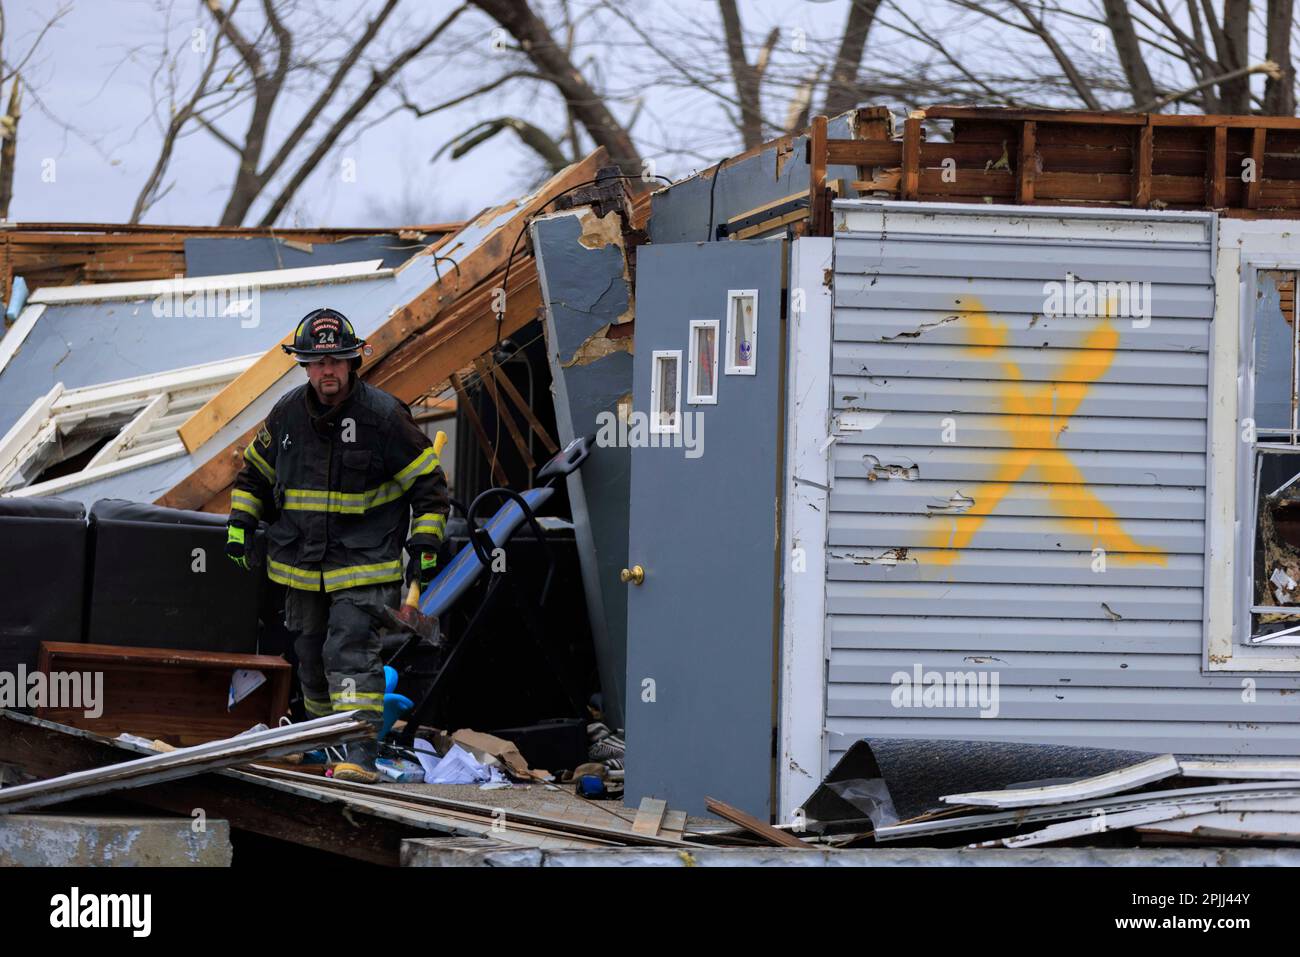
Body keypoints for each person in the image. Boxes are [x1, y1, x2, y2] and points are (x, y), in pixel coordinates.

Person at [225, 307, 449, 782]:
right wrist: (240, 523)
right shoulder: (286, 415)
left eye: (337, 361)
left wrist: (426, 541)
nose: (328, 371)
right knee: (309, 659)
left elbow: (430, 489)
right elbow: (253, 476)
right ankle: (322, 745)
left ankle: (360, 755)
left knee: (348, 655)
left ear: (352, 363)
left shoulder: (384, 418)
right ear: (304, 366)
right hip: (300, 568)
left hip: (364, 567)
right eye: (318, 363)